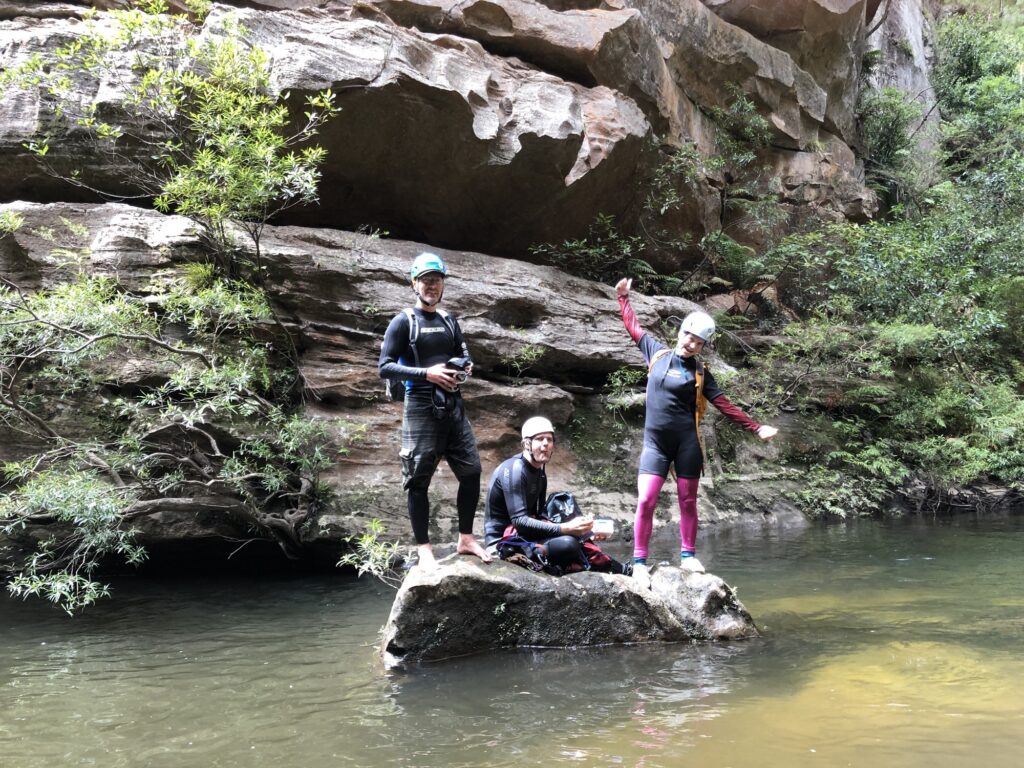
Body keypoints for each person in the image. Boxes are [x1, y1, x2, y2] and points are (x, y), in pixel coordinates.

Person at [615, 277, 778, 586]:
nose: (691, 344)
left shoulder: (701, 373)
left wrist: (755, 428)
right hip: (655, 444)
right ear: (681, 333)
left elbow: (724, 405)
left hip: (687, 444)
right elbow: (633, 327)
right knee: (646, 501)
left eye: (698, 342)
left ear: (703, 346)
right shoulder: (656, 354)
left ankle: (688, 556)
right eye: (689, 337)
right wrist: (624, 298)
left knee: (688, 502)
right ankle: (639, 561)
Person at [378, 252, 491, 568]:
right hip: (420, 406)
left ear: (443, 285)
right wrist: (427, 373)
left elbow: (464, 356)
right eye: (426, 280)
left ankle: (466, 538)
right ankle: (424, 549)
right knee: (417, 480)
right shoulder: (403, 322)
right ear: (414, 283)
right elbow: (384, 367)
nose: (431, 285)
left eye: (437, 280)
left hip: (453, 404)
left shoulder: (449, 320)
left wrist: (463, 369)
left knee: (471, 471)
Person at [484, 416, 631, 575]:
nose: (545, 444)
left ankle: (618, 568)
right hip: (504, 543)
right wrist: (566, 528)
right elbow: (520, 521)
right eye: (540, 439)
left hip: (525, 535)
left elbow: (536, 517)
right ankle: (614, 568)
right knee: (568, 544)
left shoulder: (540, 474)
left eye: (549, 439)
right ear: (526, 444)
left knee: (563, 501)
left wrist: (585, 532)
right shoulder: (514, 470)